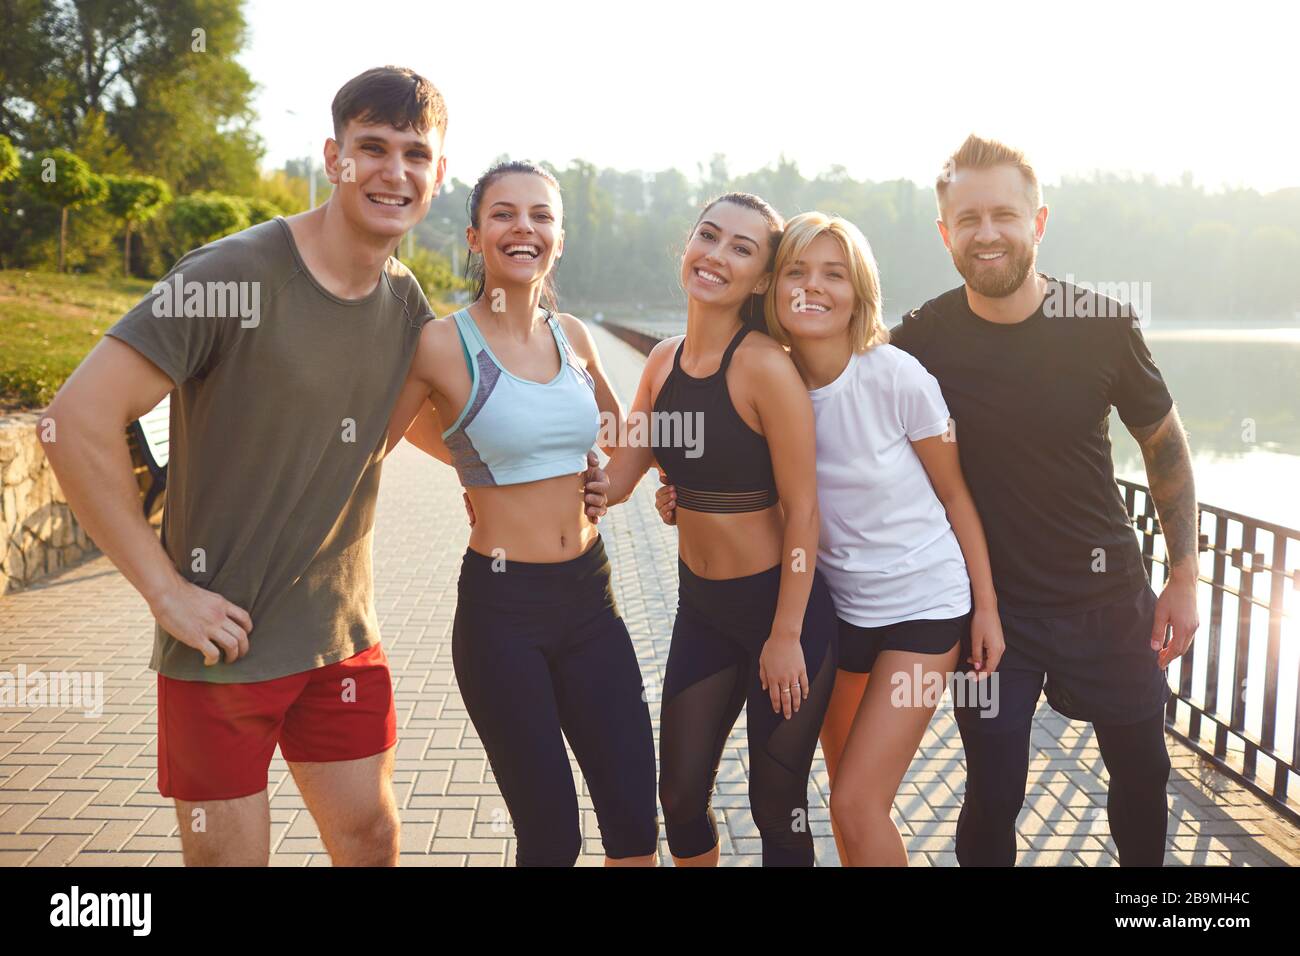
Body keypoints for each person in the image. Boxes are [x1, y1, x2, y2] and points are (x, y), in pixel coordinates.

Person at [41, 67, 451, 866]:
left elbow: (432, 427)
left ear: (437, 174)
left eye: (414, 153)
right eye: (372, 148)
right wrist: (166, 591)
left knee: (371, 840)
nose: (393, 171)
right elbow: (73, 420)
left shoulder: (405, 306)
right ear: (334, 157)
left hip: (340, 642)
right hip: (219, 650)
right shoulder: (232, 275)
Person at [655, 211, 1004, 866]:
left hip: (924, 613)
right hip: (841, 614)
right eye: (796, 271)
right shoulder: (768, 376)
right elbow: (762, 493)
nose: (812, 287)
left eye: (833, 275)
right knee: (848, 800)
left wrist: (985, 606)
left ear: (858, 292)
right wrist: (686, 498)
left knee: (855, 803)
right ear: (771, 287)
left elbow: (956, 495)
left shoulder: (897, 377)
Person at [890, 134, 1199, 866]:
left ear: (1039, 221)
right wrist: (712, 485)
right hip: (992, 613)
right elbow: (835, 418)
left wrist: (1184, 580)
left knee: (1144, 776)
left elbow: (1165, 446)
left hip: (1109, 599)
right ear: (945, 233)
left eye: (1004, 214)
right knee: (995, 789)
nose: (987, 232)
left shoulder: (1100, 325)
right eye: (968, 219)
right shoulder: (919, 341)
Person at [386, 161, 658, 867]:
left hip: (591, 601)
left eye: (540, 215)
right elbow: (368, 448)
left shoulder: (572, 335)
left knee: (634, 825)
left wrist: (638, 480)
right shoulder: (442, 344)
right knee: (551, 840)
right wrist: (474, 459)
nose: (523, 228)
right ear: (475, 237)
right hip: (503, 614)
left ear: (558, 239)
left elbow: (618, 433)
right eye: (504, 214)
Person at [602, 193, 837, 867]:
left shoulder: (764, 365)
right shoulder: (661, 362)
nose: (717, 255)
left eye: (742, 248)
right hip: (702, 611)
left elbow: (804, 511)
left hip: (782, 614)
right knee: (678, 795)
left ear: (762, 279)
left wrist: (787, 633)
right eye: (709, 236)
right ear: (687, 247)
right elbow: (618, 480)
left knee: (777, 807)